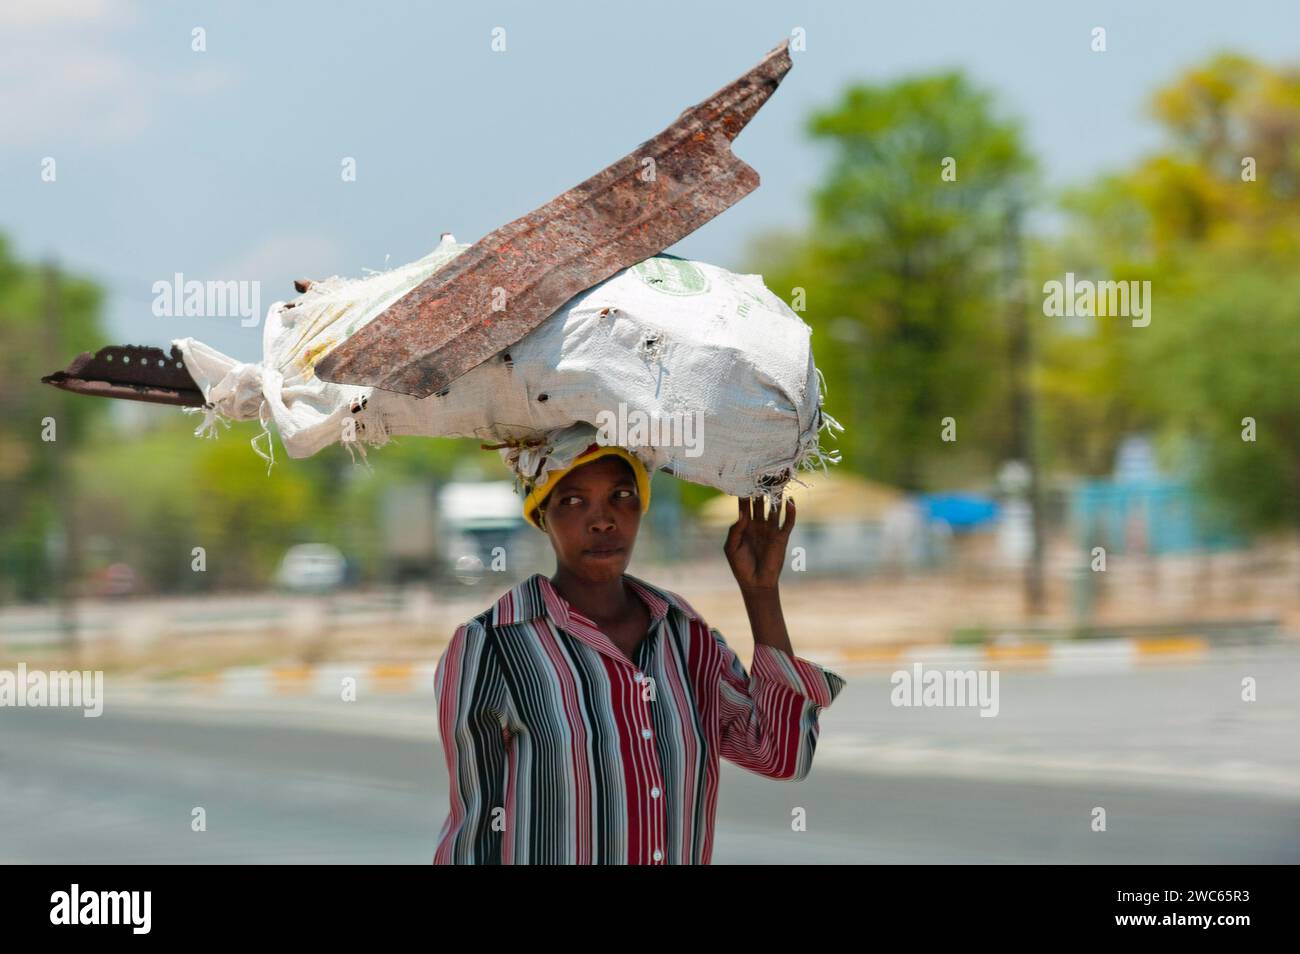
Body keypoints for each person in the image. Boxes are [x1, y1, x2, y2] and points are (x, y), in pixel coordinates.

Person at [432, 439, 846, 864]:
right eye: (573, 501)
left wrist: (761, 594)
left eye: (622, 496)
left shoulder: (687, 638)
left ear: (641, 507)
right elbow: (477, 828)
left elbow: (783, 755)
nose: (602, 520)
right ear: (543, 516)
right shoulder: (492, 644)